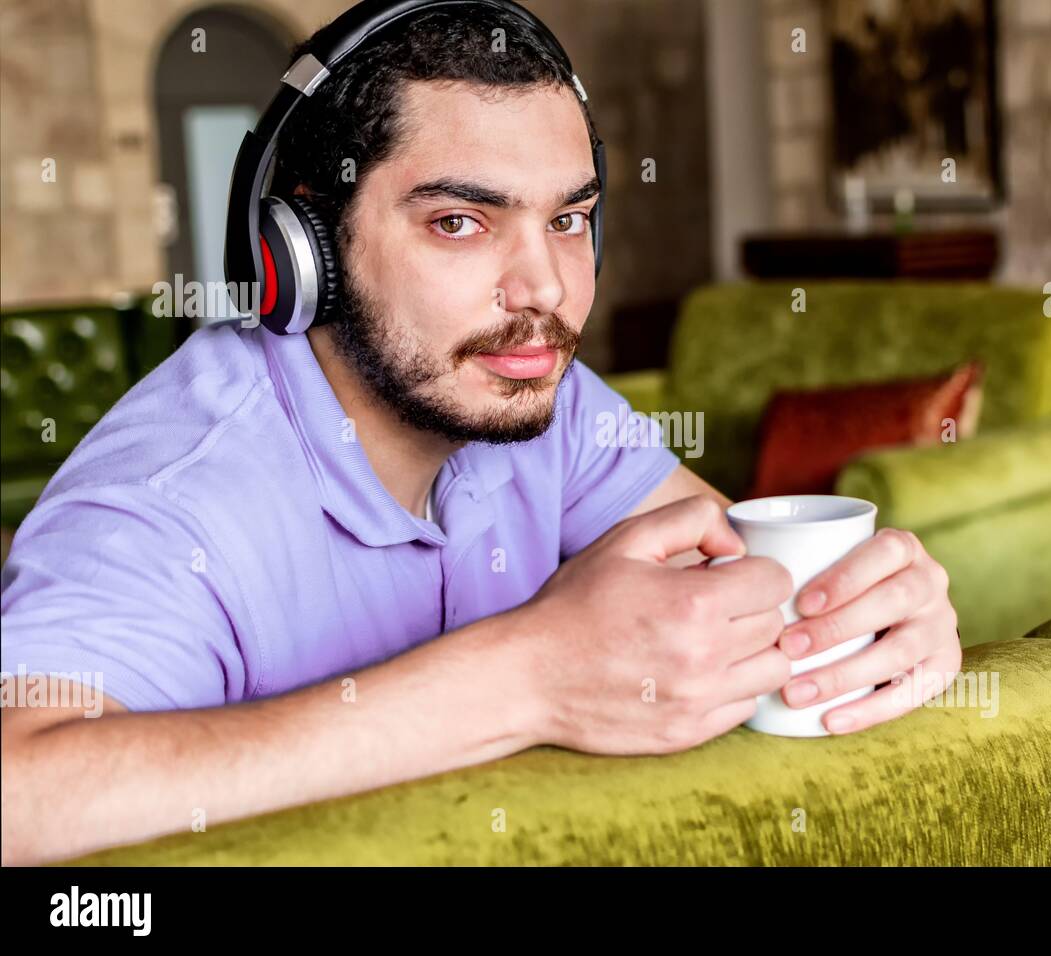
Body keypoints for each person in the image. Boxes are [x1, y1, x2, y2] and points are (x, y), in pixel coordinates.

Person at [0, 0, 960, 866]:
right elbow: (20, 794)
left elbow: (733, 572)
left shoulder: (543, 397)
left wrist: (861, 619)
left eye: (571, 219)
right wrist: (529, 675)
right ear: (302, 251)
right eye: (461, 222)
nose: (544, 290)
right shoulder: (169, 499)